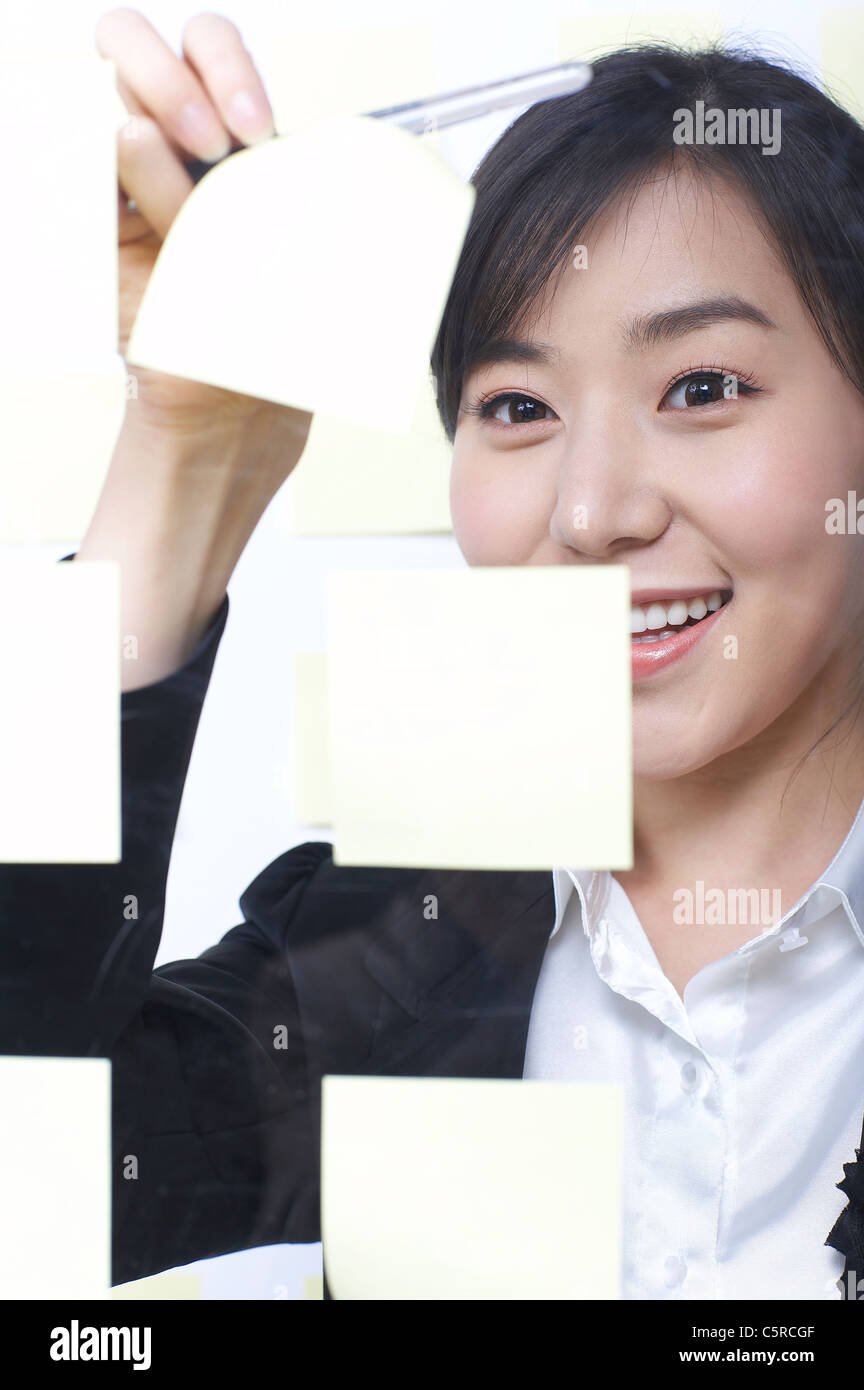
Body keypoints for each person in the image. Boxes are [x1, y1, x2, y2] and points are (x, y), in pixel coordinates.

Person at [3, 8, 864, 1299]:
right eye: (516, 408)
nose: (593, 511)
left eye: (701, 387)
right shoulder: (402, 937)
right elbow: (34, 1176)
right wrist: (182, 463)